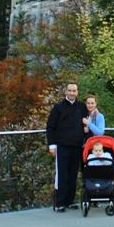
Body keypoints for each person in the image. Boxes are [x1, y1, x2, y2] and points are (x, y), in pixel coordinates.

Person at [46, 82, 88, 212]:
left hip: (77, 146)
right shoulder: (58, 107)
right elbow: (50, 127)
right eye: (70, 90)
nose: (72, 93)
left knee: (73, 174)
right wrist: (51, 145)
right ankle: (59, 203)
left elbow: (89, 118)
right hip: (62, 146)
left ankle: (70, 201)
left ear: (77, 92)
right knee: (62, 175)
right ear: (66, 92)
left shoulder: (81, 106)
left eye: (74, 90)